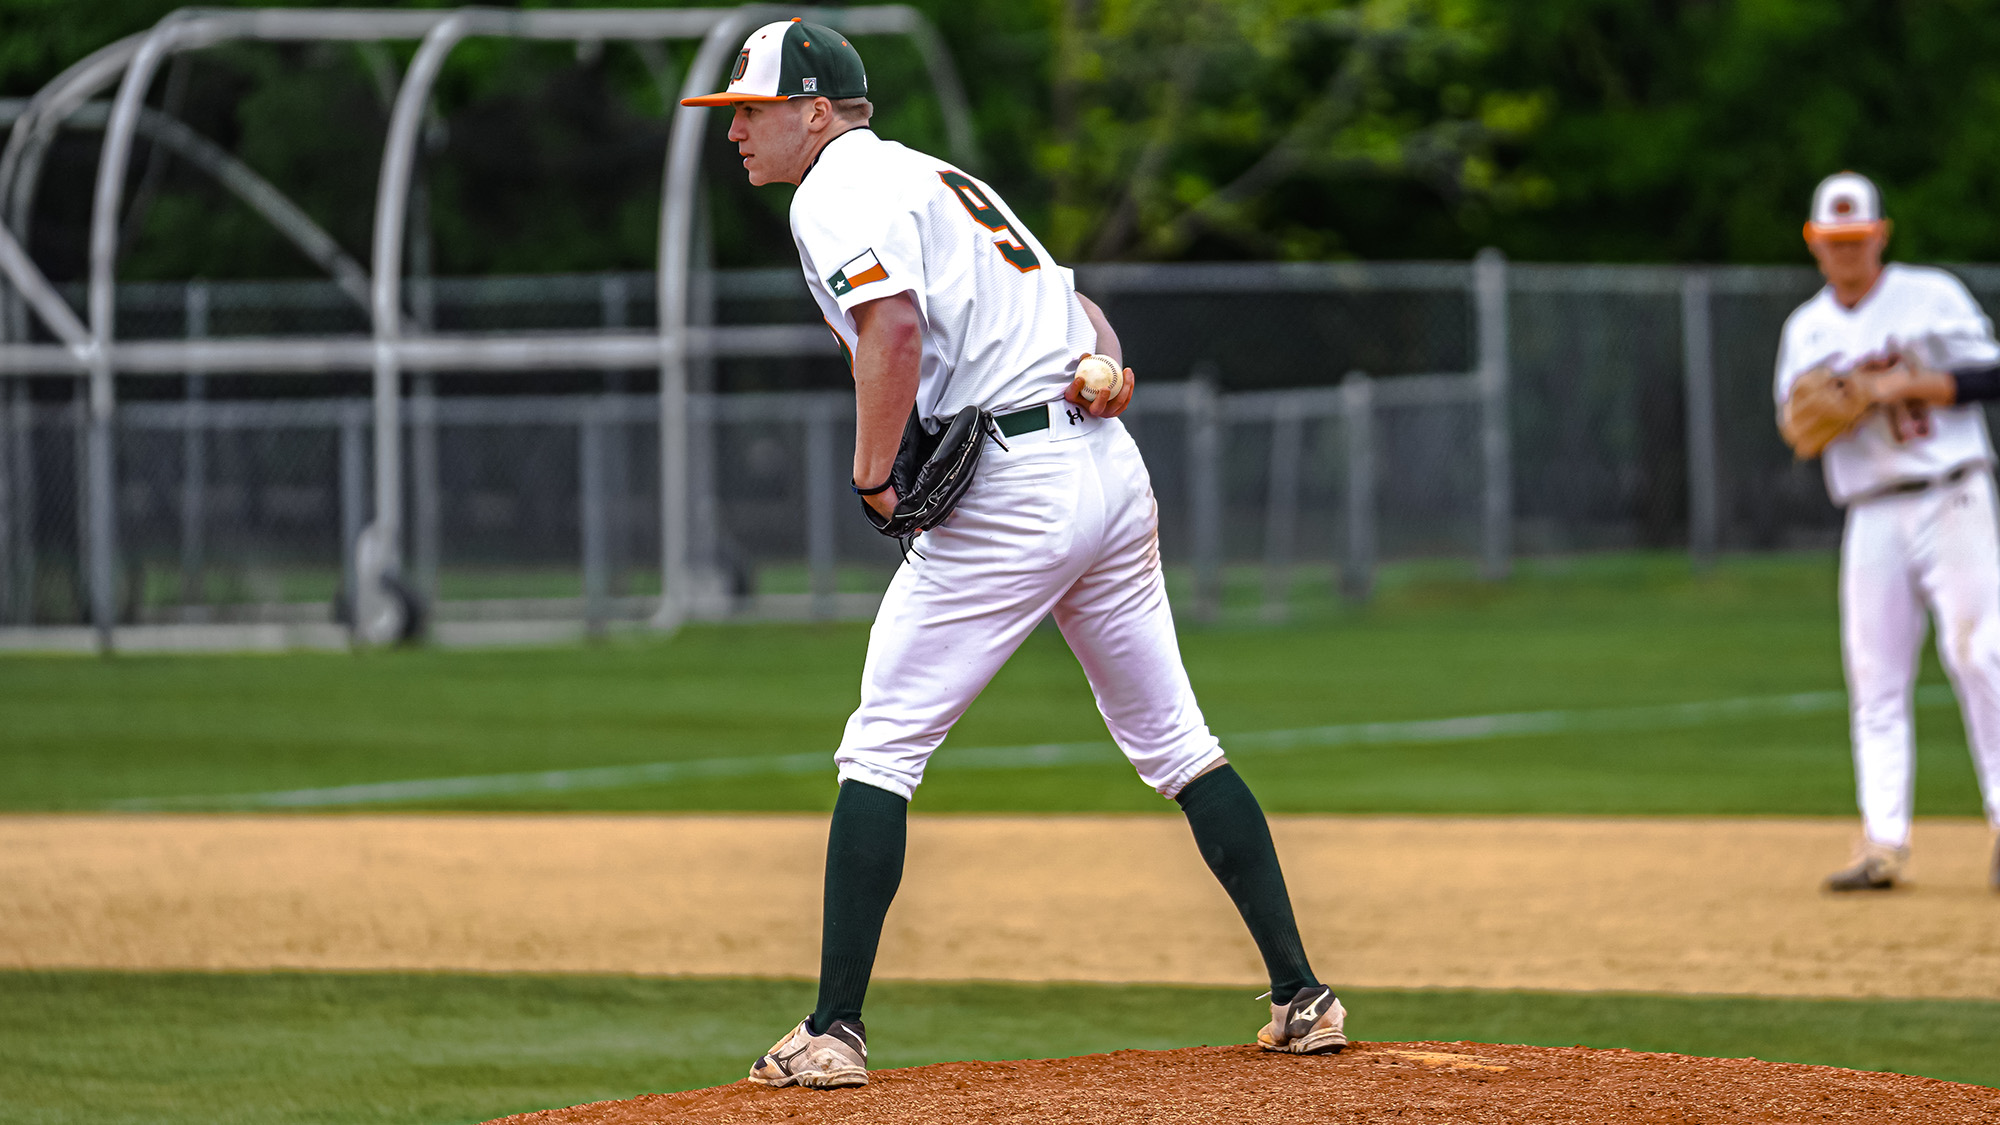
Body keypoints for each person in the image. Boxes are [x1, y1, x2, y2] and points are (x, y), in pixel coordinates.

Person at [680, 19, 1346, 1089]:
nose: (735, 133)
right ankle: (1301, 997)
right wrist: (1105, 370)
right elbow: (1080, 313)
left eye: (749, 112)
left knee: (881, 747)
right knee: (1177, 742)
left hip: (1011, 489)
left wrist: (870, 474)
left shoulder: (835, 190)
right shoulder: (940, 178)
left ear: (814, 111)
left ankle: (832, 1032)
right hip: (1104, 471)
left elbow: (889, 333)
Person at [1774, 170, 2000, 892]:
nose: (1845, 251)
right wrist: (1827, 411)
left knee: (1982, 654)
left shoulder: (1930, 297)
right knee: (1874, 677)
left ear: (1881, 235)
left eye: (1857, 238)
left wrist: (1903, 385)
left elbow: (1991, 373)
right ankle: (1882, 842)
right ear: (1814, 242)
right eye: (1832, 240)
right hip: (1869, 508)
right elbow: (1796, 426)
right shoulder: (1806, 328)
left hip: (1952, 492)